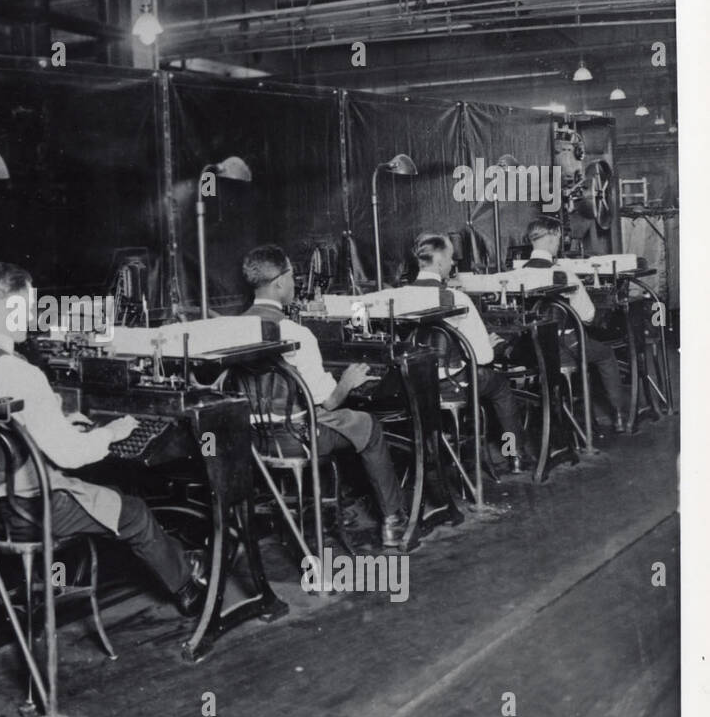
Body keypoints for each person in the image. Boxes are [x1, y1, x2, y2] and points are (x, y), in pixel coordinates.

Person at [0, 263, 206, 617]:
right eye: (30, 305)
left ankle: (84, 576)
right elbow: (72, 456)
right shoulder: (21, 373)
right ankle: (189, 591)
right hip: (29, 512)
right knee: (135, 513)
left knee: (108, 487)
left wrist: (57, 422)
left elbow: (4, 433)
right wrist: (111, 432)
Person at [240, 245, 409, 549]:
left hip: (253, 440)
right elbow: (329, 401)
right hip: (300, 437)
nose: (295, 283)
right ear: (279, 282)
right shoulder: (296, 334)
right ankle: (393, 522)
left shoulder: (232, 330)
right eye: (293, 276)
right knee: (369, 426)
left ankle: (339, 498)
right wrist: (347, 381)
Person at [411, 232, 527, 473]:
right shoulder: (456, 298)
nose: (453, 264)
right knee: (501, 387)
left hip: (415, 387)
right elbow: (483, 357)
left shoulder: (399, 296)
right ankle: (513, 454)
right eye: (452, 258)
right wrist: (488, 344)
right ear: (440, 261)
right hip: (451, 385)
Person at [524, 214, 628, 433]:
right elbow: (588, 315)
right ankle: (619, 415)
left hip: (533, 350)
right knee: (606, 354)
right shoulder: (563, 275)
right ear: (553, 237)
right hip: (565, 346)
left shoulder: (516, 275)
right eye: (560, 237)